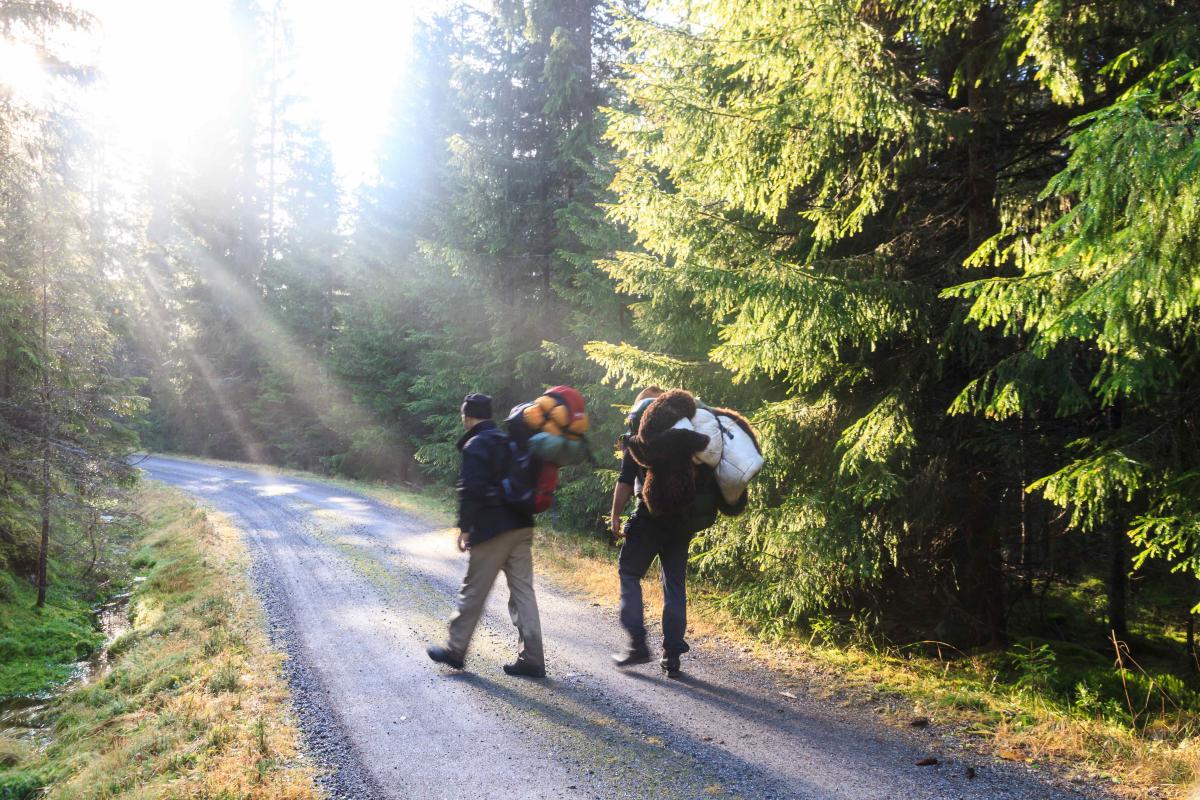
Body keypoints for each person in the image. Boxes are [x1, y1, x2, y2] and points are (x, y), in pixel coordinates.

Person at [427, 393, 546, 678]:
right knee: (523, 593)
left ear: (467, 416)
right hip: (521, 525)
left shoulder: (475, 443)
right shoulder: (509, 440)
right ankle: (532, 658)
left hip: (493, 528)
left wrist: (465, 527)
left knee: (474, 590)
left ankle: (456, 651)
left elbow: (471, 489)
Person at [609, 386, 701, 678]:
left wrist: (614, 516)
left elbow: (626, 480)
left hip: (648, 517)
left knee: (629, 573)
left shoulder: (641, 437)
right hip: (681, 520)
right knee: (673, 584)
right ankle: (672, 654)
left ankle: (637, 643)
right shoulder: (685, 436)